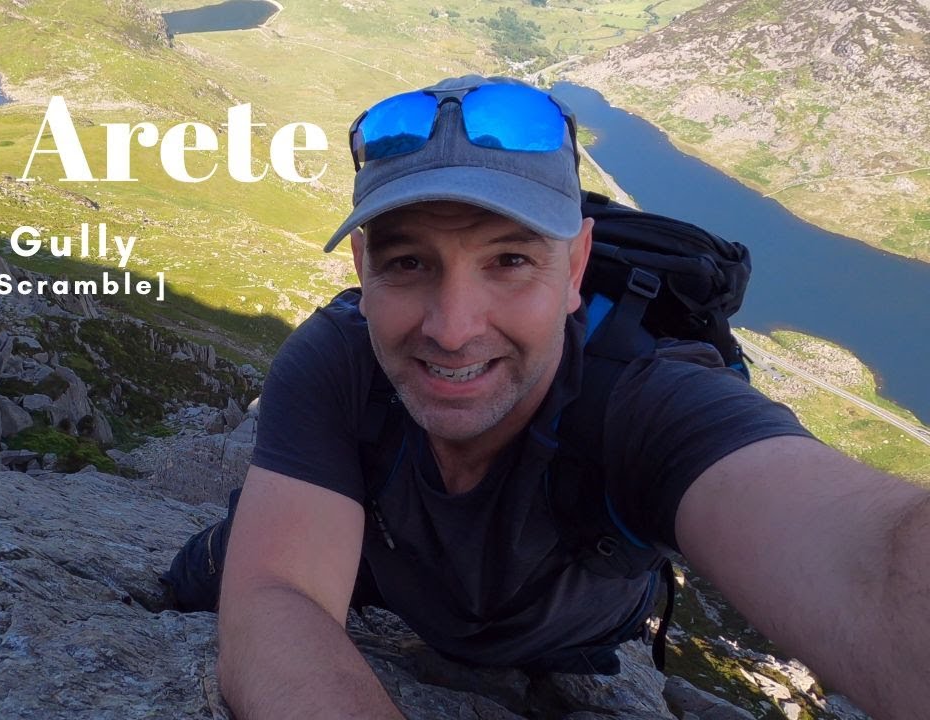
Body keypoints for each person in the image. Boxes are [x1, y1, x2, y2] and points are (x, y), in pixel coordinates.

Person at [173, 75, 930, 720]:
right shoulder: (337, 360)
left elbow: (873, 566)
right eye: (408, 263)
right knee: (205, 570)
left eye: (509, 260)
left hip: (569, 635)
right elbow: (278, 594)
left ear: (575, 268)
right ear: (362, 267)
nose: (453, 329)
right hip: (386, 575)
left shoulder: (648, 400)